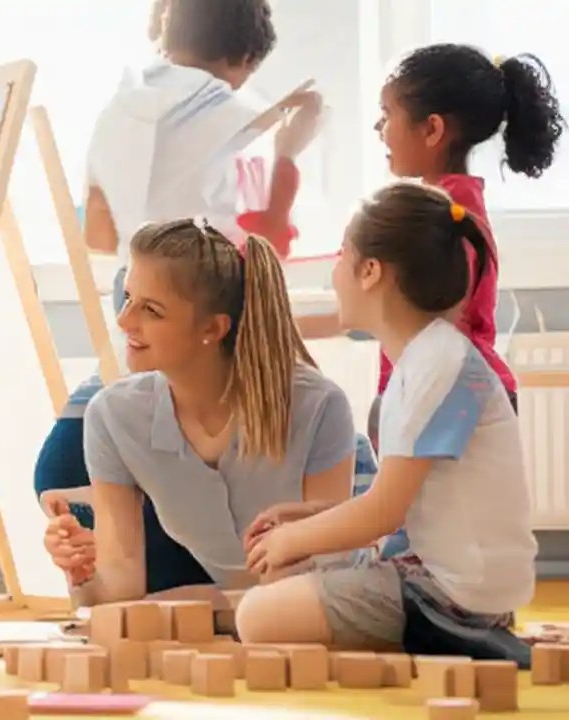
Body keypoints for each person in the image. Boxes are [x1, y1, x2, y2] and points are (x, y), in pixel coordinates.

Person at [34, 0, 325, 594]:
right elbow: (266, 244)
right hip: (198, 304)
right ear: (243, 56)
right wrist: (292, 149)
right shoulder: (241, 115)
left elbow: (100, 235)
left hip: (135, 284)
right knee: (241, 442)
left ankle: (144, 565)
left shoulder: (119, 108)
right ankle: (178, 569)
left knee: (78, 456)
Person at [237, 183, 537, 665]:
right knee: (284, 577)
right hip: (446, 577)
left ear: (370, 271)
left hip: (452, 596)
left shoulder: (437, 365)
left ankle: (450, 639)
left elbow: (383, 513)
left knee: (256, 615)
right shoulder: (428, 358)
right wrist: (311, 518)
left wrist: (291, 538)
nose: (335, 273)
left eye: (341, 256)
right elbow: (403, 504)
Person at [43, 221, 356, 607]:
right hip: (258, 613)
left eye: (152, 310)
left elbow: (321, 585)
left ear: (212, 327)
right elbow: (120, 588)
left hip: (329, 607)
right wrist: (83, 576)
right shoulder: (112, 417)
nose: (124, 321)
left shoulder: (319, 408)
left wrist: (188, 605)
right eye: (127, 298)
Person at [298, 43, 565, 449]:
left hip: (452, 396)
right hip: (447, 390)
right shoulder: (447, 205)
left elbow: (379, 308)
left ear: (432, 129)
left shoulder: (441, 217)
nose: (378, 128)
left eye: (387, 115)